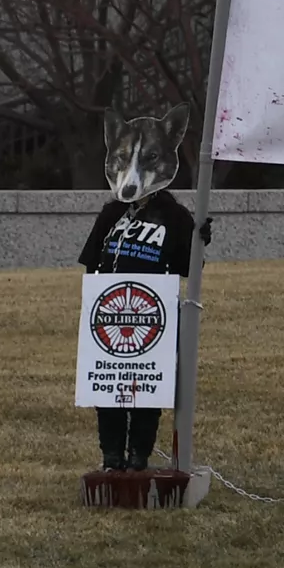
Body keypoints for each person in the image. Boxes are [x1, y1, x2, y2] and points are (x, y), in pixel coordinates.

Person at [79, 110, 196, 471]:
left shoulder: (175, 216)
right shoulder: (111, 214)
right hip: (110, 315)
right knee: (109, 390)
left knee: (147, 390)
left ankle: (139, 455)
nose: (131, 182)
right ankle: (111, 455)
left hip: (153, 318)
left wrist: (198, 241)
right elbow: (92, 262)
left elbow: (191, 268)